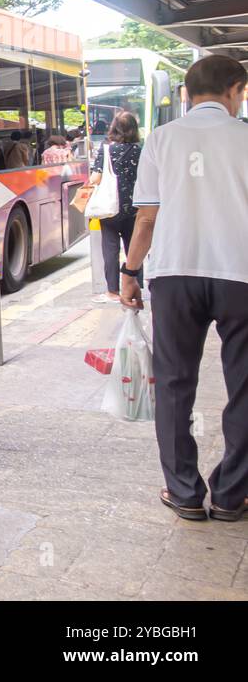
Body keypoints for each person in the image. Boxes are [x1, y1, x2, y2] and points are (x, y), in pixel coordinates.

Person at [120, 54, 248, 523]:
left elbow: (147, 217)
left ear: (186, 94)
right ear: (235, 89)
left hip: (174, 275)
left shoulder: (162, 138)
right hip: (241, 276)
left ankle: (185, 492)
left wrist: (129, 272)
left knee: (174, 384)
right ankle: (233, 493)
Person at [89, 111, 143, 304]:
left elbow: (96, 177)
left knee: (110, 249)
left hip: (109, 207)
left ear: (114, 128)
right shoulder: (139, 150)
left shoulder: (106, 150)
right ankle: (136, 283)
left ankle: (112, 291)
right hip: (133, 207)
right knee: (134, 246)